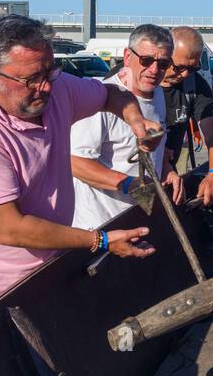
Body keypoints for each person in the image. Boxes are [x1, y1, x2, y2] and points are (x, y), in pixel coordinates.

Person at [0, 16, 162, 327]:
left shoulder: (56, 89)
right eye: (31, 79)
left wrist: (137, 122)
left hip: (44, 266)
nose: (45, 87)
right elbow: (9, 228)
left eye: (49, 72)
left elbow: (113, 94)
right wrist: (100, 240)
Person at [70, 25, 179, 229]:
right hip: (100, 225)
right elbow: (75, 162)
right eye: (146, 60)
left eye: (163, 64)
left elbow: (154, 151)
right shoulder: (101, 100)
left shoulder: (157, 94)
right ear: (128, 56)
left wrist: (167, 170)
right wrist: (129, 184)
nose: (154, 70)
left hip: (137, 220)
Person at [162, 26, 213, 207]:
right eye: (179, 67)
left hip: (169, 173)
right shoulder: (139, 81)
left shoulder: (195, 85)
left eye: (192, 68)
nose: (185, 74)